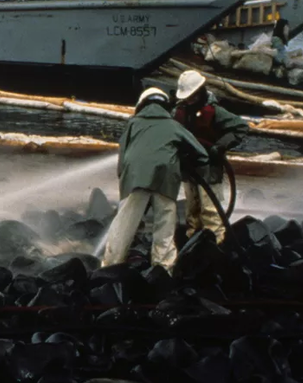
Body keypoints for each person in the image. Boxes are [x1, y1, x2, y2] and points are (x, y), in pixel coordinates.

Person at [101, 87, 207, 272]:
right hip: (166, 180)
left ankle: (111, 266)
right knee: (164, 224)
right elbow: (202, 154)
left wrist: (125, 185)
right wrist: (183, 163)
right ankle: (163, 268)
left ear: (142, 105)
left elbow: (122, 159)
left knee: (124, 224)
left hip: (135, 179)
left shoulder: (134, 124)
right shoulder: (174, 126)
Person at [172, 70, 248, 244]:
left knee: (210, 210)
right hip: (189, 168)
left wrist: (220, 147)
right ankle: (193, 241)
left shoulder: (215, 112)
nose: (189, 99)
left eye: (191, 96)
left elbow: (241, 127)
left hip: (209, 168)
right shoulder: (179, 112)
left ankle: (216, 243)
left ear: (199, 91)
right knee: (192, 209)